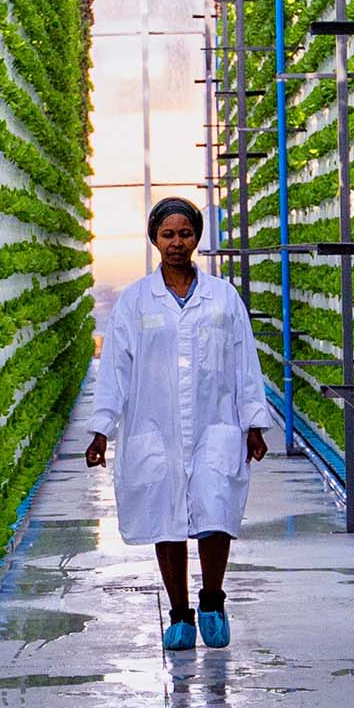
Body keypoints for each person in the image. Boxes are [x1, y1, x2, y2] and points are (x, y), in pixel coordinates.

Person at [83, 196, 267, 651]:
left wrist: (254, 422)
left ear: (197, 238)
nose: (177, 243)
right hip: (156, 425)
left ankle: (212, 599)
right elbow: (115, 370)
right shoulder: (134, 301)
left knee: (216, 507)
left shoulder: (223, 298)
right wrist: (101, 428)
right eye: (168, 234)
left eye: (185, 234)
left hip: (215, 423)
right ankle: (180, 613)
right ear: (155, 239)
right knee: (166, 517)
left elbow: (245, 361)